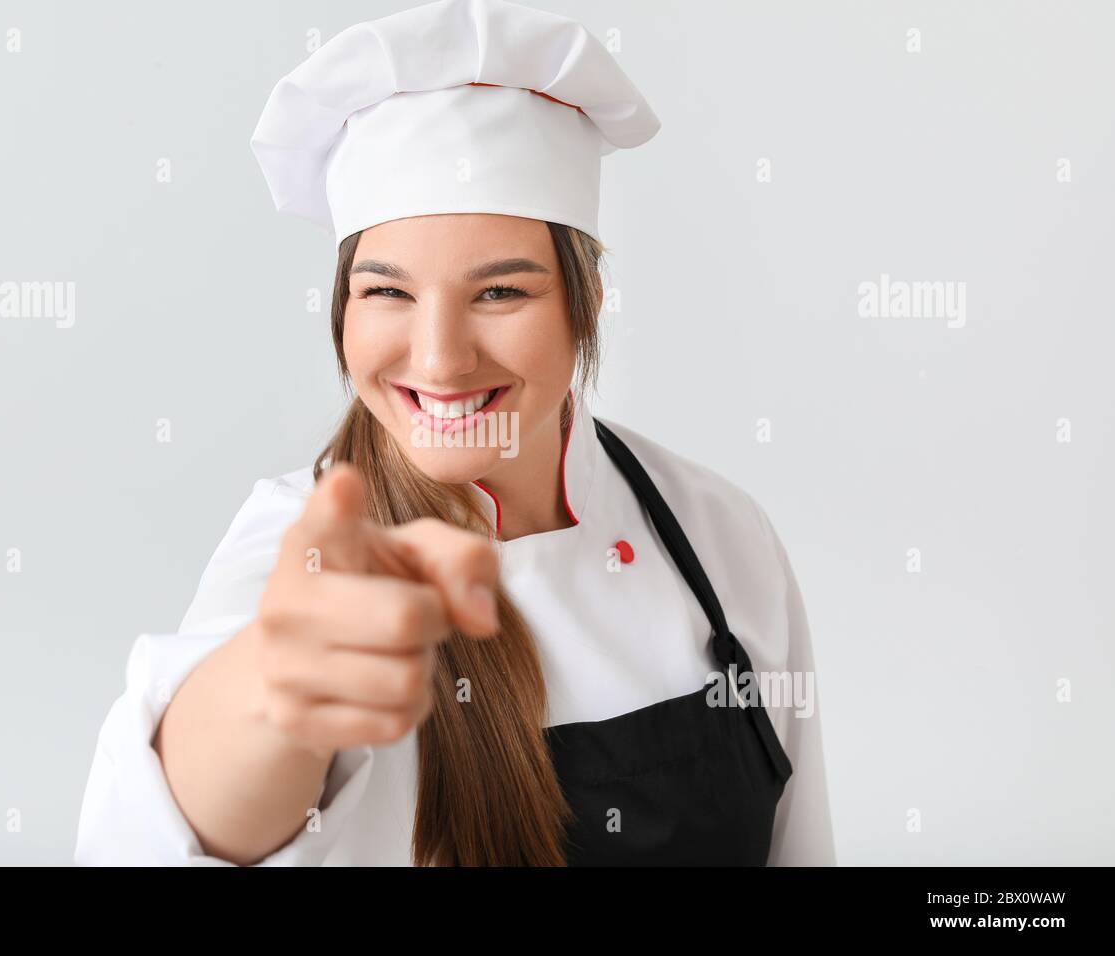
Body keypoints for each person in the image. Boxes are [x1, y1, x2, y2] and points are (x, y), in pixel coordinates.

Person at [74, 0, 836, 866]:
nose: (438, 361)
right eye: (387, 293)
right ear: (342, 310)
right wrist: (274, 692)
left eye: (500, 293)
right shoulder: (307, 549)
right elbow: (171, 817)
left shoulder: (721, 532)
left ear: (583, 307)